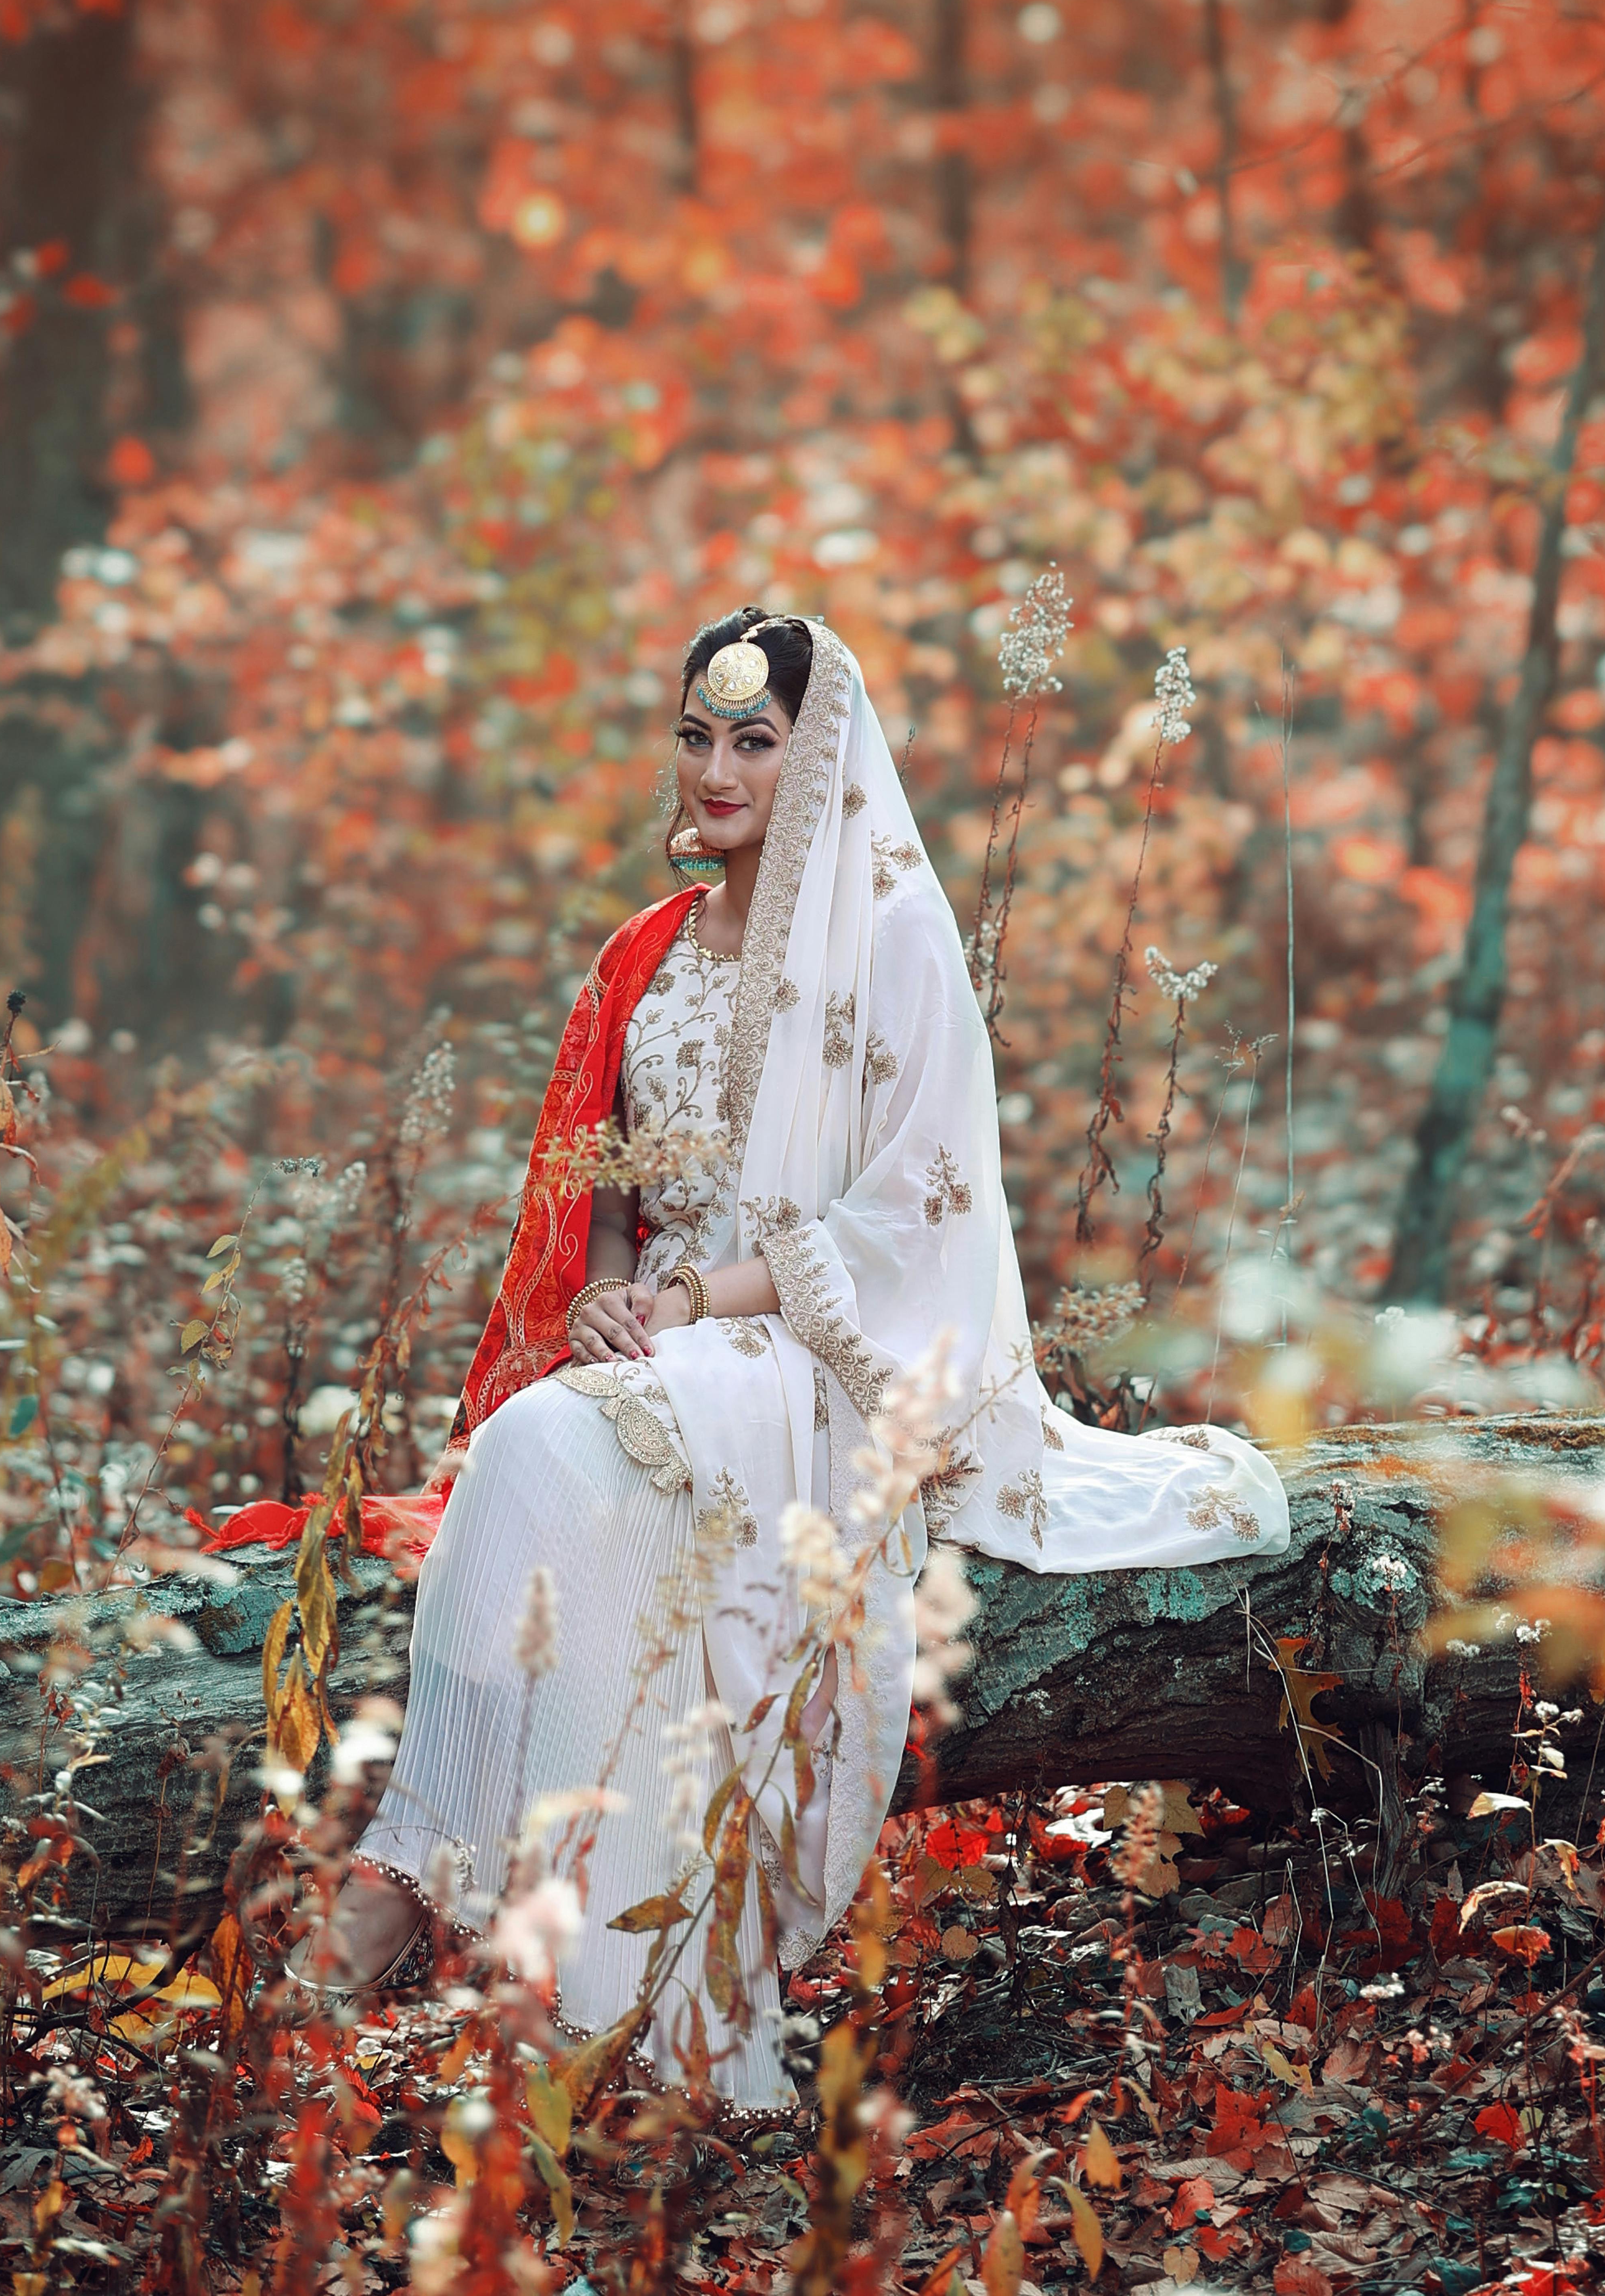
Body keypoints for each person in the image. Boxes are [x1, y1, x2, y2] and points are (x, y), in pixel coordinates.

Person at [291, 610, 1289, 2104]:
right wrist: (612, 1296)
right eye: (696, 735)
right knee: (558, 1459)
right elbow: (616, 1200)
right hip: (670, 1349)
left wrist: (698, 1302)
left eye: (753, 739)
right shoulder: (649, 951)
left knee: (536, 1452)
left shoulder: (890, 933)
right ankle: (561, 1969)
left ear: (815, 756)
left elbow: (913, 1222)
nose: (716, 767)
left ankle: (422, 1910)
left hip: (820, 1360)